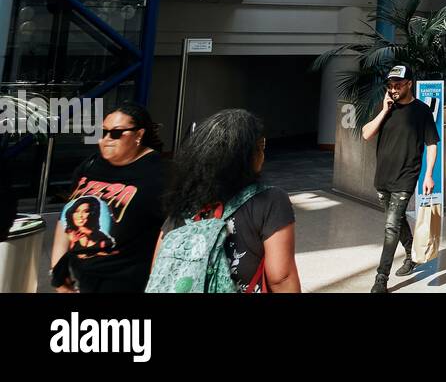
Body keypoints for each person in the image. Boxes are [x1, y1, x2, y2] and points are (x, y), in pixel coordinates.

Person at [157, 108, 299, 292]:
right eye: (261, 146)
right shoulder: (270, 200)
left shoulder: (184, 200)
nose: (263, 154)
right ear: (246, 156)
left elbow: (159, 266)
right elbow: (281, 278)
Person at [50, 102, 166, 293]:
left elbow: (167, 232)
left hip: (125, 282)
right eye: (103, 132)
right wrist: (57, 269)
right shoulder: (91, 165)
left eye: (116, 133)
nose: (106, 139)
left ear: (139, 135)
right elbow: (66, 218)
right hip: (81, 279)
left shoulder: (159, 173)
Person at [363, 65, 440, 292]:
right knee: (396, 220)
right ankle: (411, 253)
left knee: (390, 227)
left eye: (398, 85)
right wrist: (384, 110)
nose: (394, 89)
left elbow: (432, 144)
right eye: (390, 85)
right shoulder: (387, 108)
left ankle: (381, 279)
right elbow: (366, 134)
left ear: (409, 84)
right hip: (383, 178)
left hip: (406, 177)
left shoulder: (422, 111)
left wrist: (428, 175)